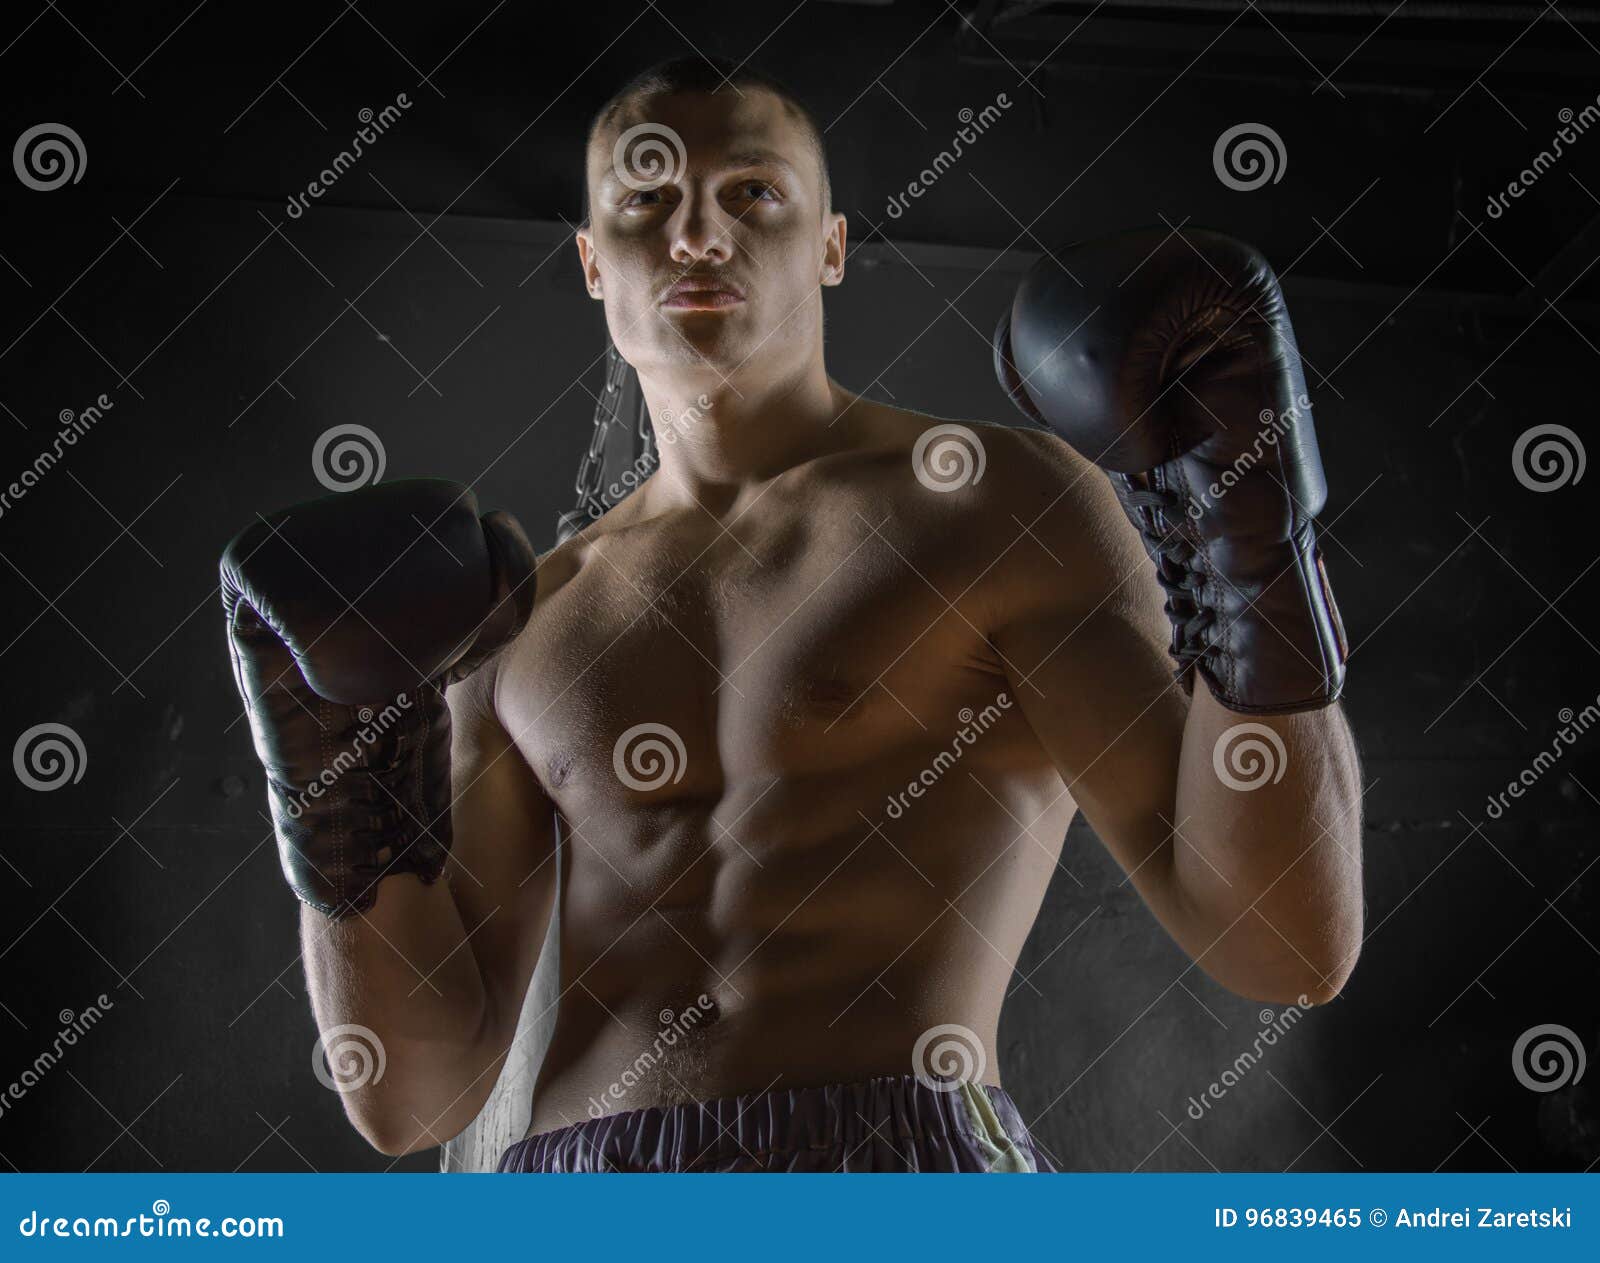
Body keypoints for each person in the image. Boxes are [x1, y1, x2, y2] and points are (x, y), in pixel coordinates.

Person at [219, 57, 1363, 1173]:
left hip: (891, 1163)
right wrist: (335, 792)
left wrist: (1249, 554)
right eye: (646, 200)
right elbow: (411, 1100)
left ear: (831, 246)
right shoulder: (521, 618)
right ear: (589, 262)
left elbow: (1282, 943)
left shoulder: (993, 506)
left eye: (752, 194)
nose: (697, 236)